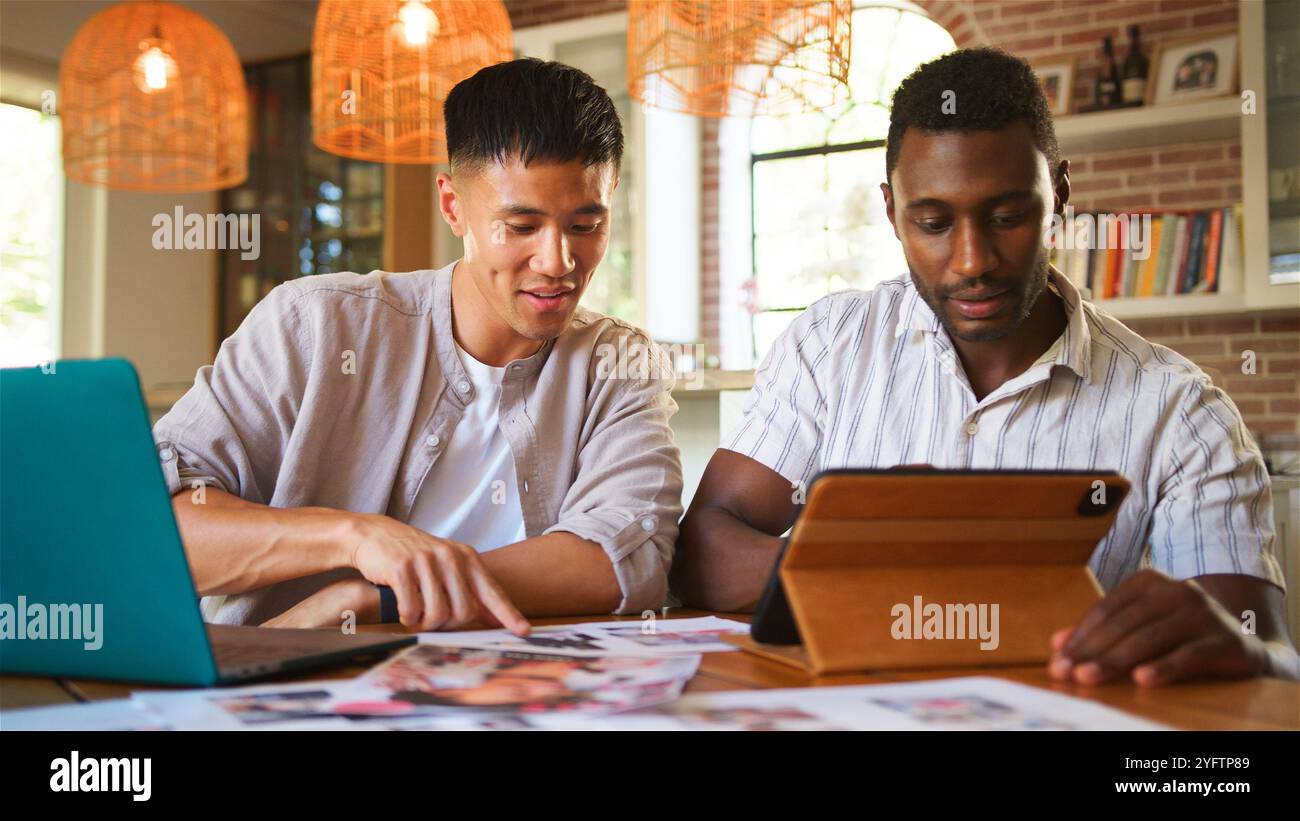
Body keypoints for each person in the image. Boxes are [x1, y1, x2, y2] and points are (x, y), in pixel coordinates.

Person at [672, 48, 1296, 686]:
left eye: (1006, 216)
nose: (972, 260)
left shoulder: (1181, 411)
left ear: (1059, 195)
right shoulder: (830, 345)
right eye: (934, 222)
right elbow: (700, 549)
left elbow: (1268, 655)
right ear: (892, 213)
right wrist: (862, 562)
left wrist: (1238, 650)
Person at [154, 59, 683, 634]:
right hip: (287, 691)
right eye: (522, 226)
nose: (558, 262)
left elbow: (628, 557)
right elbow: (153, 530)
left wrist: (379, 598)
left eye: (584, 226)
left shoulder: (618, 365)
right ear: (453, 206)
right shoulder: (314, 325)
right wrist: (354, 538)